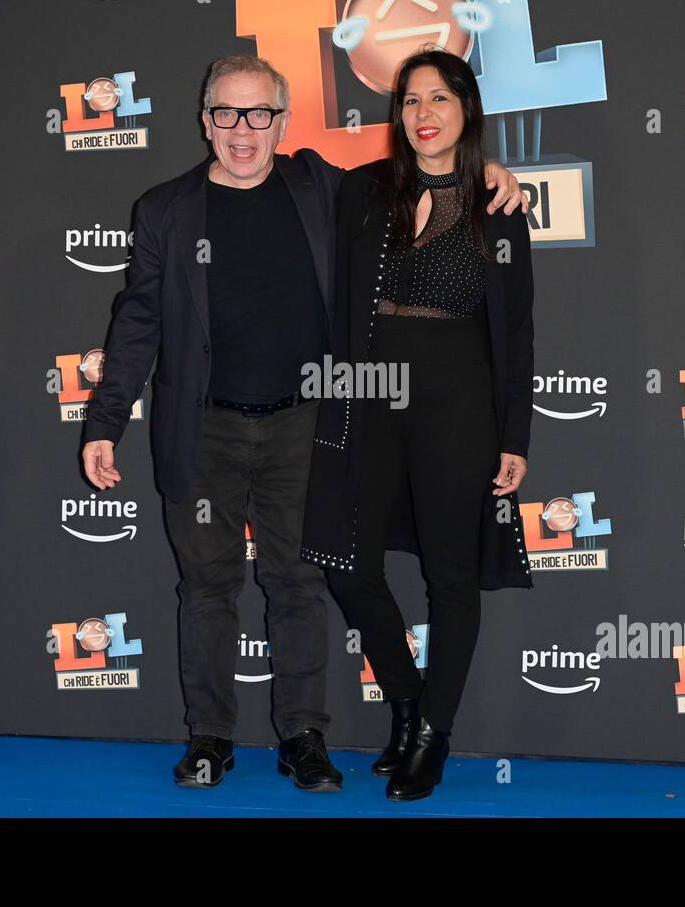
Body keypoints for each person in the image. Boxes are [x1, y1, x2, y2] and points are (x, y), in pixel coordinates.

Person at [79, 54, 528, 791]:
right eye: (227, 113)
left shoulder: (324, 190)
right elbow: (136, 322)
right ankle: (211, 739)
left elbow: (422, 167)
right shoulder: (164, 210)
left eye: (260, 114)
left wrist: (487, 175)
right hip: (203, 429)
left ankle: (304, 738)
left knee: (296, 585)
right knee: (206, 587)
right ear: (204, 121)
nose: (243, 130)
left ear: (283, 123)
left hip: (305, 424)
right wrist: (103, 423)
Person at [301, 48, 535, 802]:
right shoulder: (365, 190)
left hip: (459, 405)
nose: (423, 114)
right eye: (409, 101)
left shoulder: (496, 205)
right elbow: (295, 170)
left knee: (450, 575)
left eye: (439, 98)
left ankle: (434, 733)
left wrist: (514, 437)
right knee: (345, 560)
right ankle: (404, 698)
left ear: (466, 108)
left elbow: (519, 330)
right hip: (368, 393)